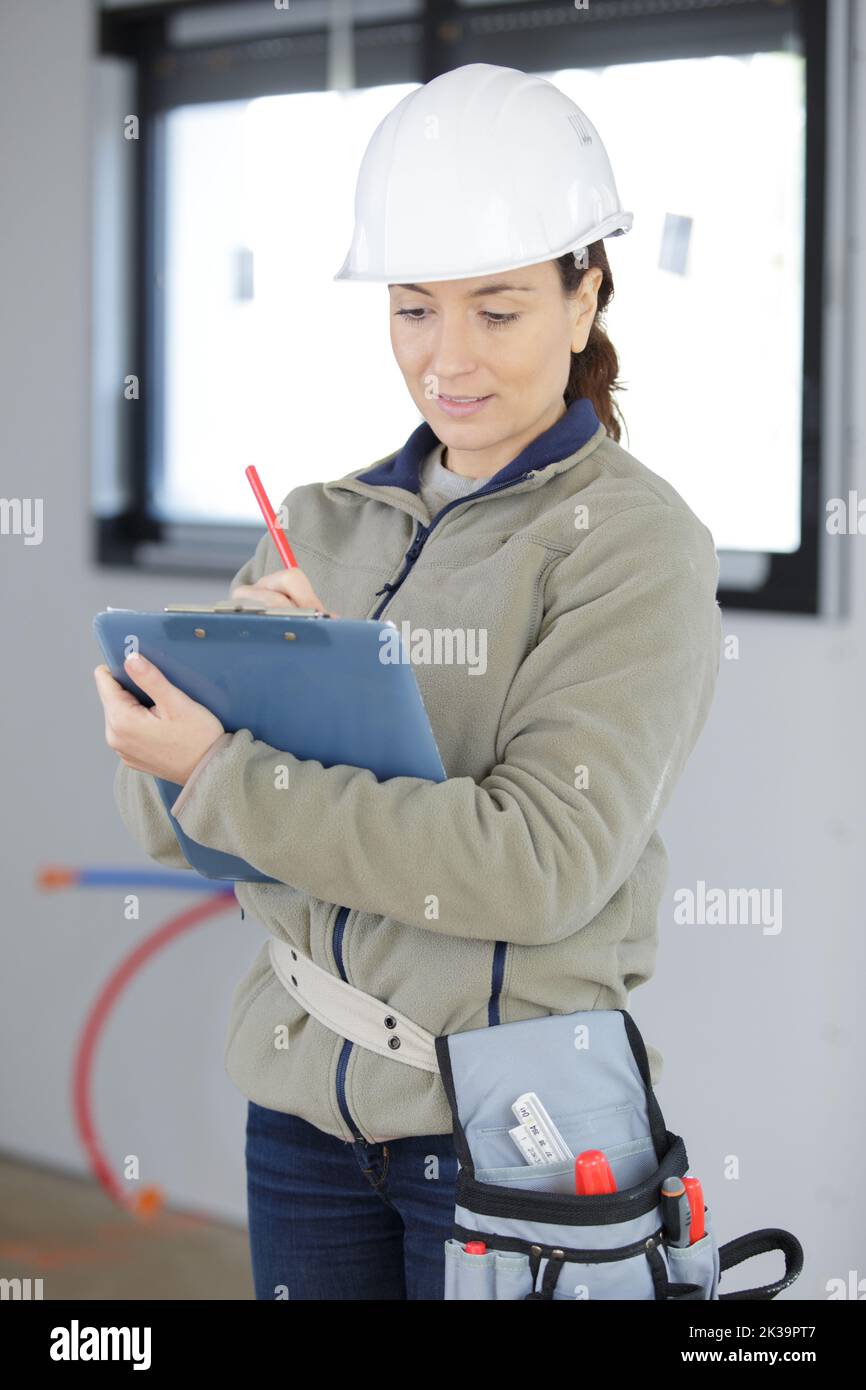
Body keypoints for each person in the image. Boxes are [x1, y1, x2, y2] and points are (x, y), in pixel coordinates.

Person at [94, 63, 722, 1301]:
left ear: (583, 296)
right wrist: (194, 727)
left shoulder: (632, 544)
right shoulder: (321, 522)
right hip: (300, 1118)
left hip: (509, 1131)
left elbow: (535, 863)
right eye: (412, 310)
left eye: (497, 310)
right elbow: (166, 827)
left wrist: (233, 768)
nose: (448, 361)